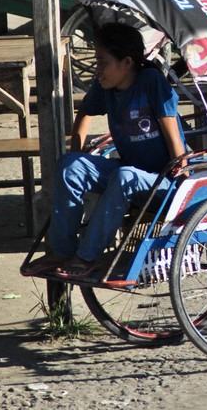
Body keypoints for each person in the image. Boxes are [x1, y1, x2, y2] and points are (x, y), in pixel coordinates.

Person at [22, 22, 187, 281]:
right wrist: (77, 154)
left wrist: (181, 173)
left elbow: (171, 130)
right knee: (70, 165)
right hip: (128, 170)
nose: (97, 70)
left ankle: (87, 257)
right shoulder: (105, 86)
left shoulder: (150, 81)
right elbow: (85, 113)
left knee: (124, 177)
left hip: (165, 181)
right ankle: (61, 251)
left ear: (127, 62)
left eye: (103, 62)